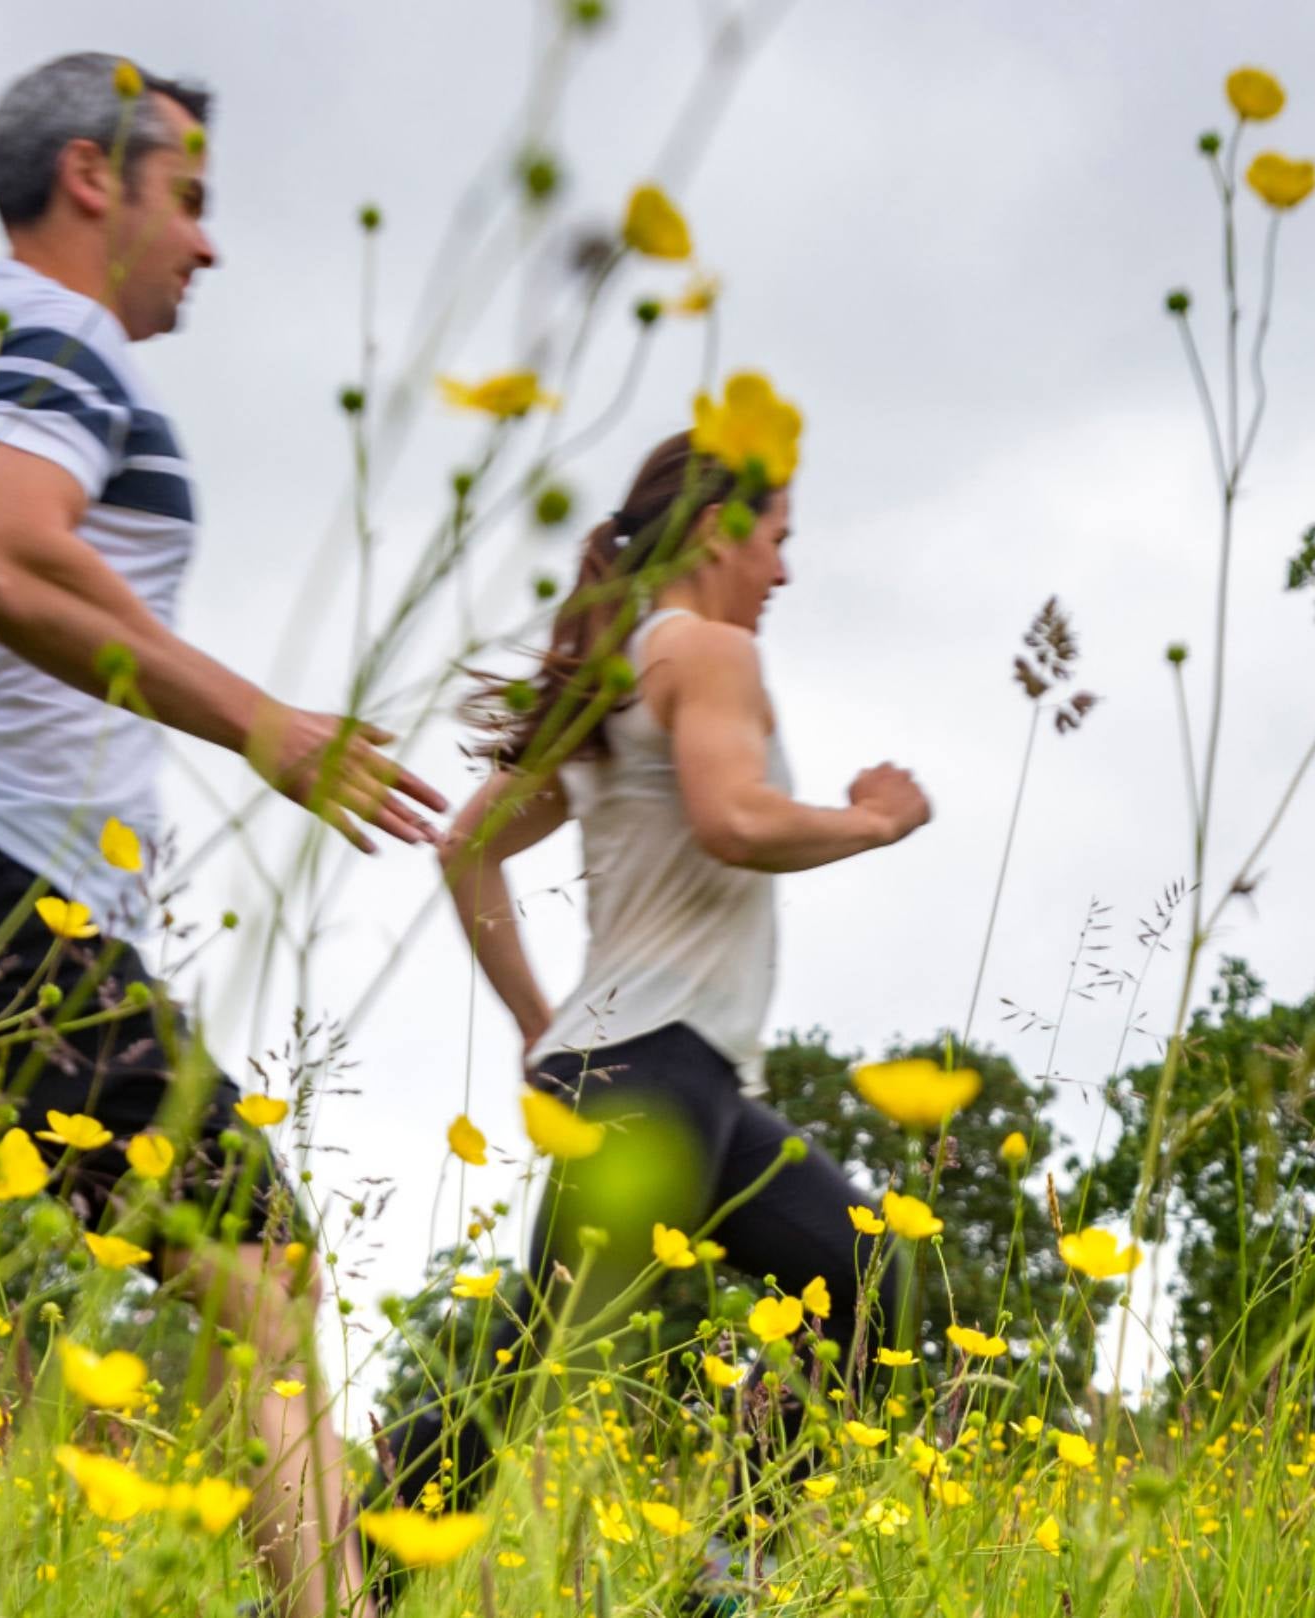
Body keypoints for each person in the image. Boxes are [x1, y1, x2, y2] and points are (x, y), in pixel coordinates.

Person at [0, 53, 443, 1618]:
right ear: (92, 177)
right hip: (18, 892)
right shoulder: (45, 336)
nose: (207, 244)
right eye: (187, 199)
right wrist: (260, 721)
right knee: (266, 1277)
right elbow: (2, 554)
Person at [383, 428, 932, 1549]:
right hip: (654, 1073)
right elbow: (734, 821)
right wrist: (873, 821)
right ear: (725, 530)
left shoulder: (620, 669)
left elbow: (467, 844)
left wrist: (544, 1027)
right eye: (778, 539)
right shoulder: (705, 653)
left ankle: (725, 1564)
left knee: (872, 1283)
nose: (781, 571)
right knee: (534, 1365)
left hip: (680, 1079)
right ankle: (339, 1578)